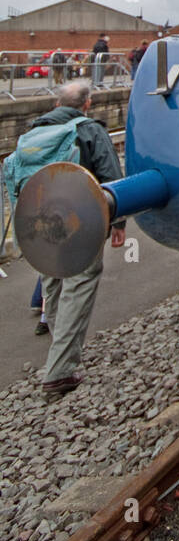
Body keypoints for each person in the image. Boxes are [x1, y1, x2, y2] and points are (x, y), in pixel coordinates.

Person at [17, 80, 125, 396]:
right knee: (80, 283)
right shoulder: (90, 130)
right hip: (79, 222)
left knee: (52, 277)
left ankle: (54, 336)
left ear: (56, 104)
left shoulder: (33, 132)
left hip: (37, 221)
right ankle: (59, 371)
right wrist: (118, 223)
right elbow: (111, 178)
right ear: (87, 104)